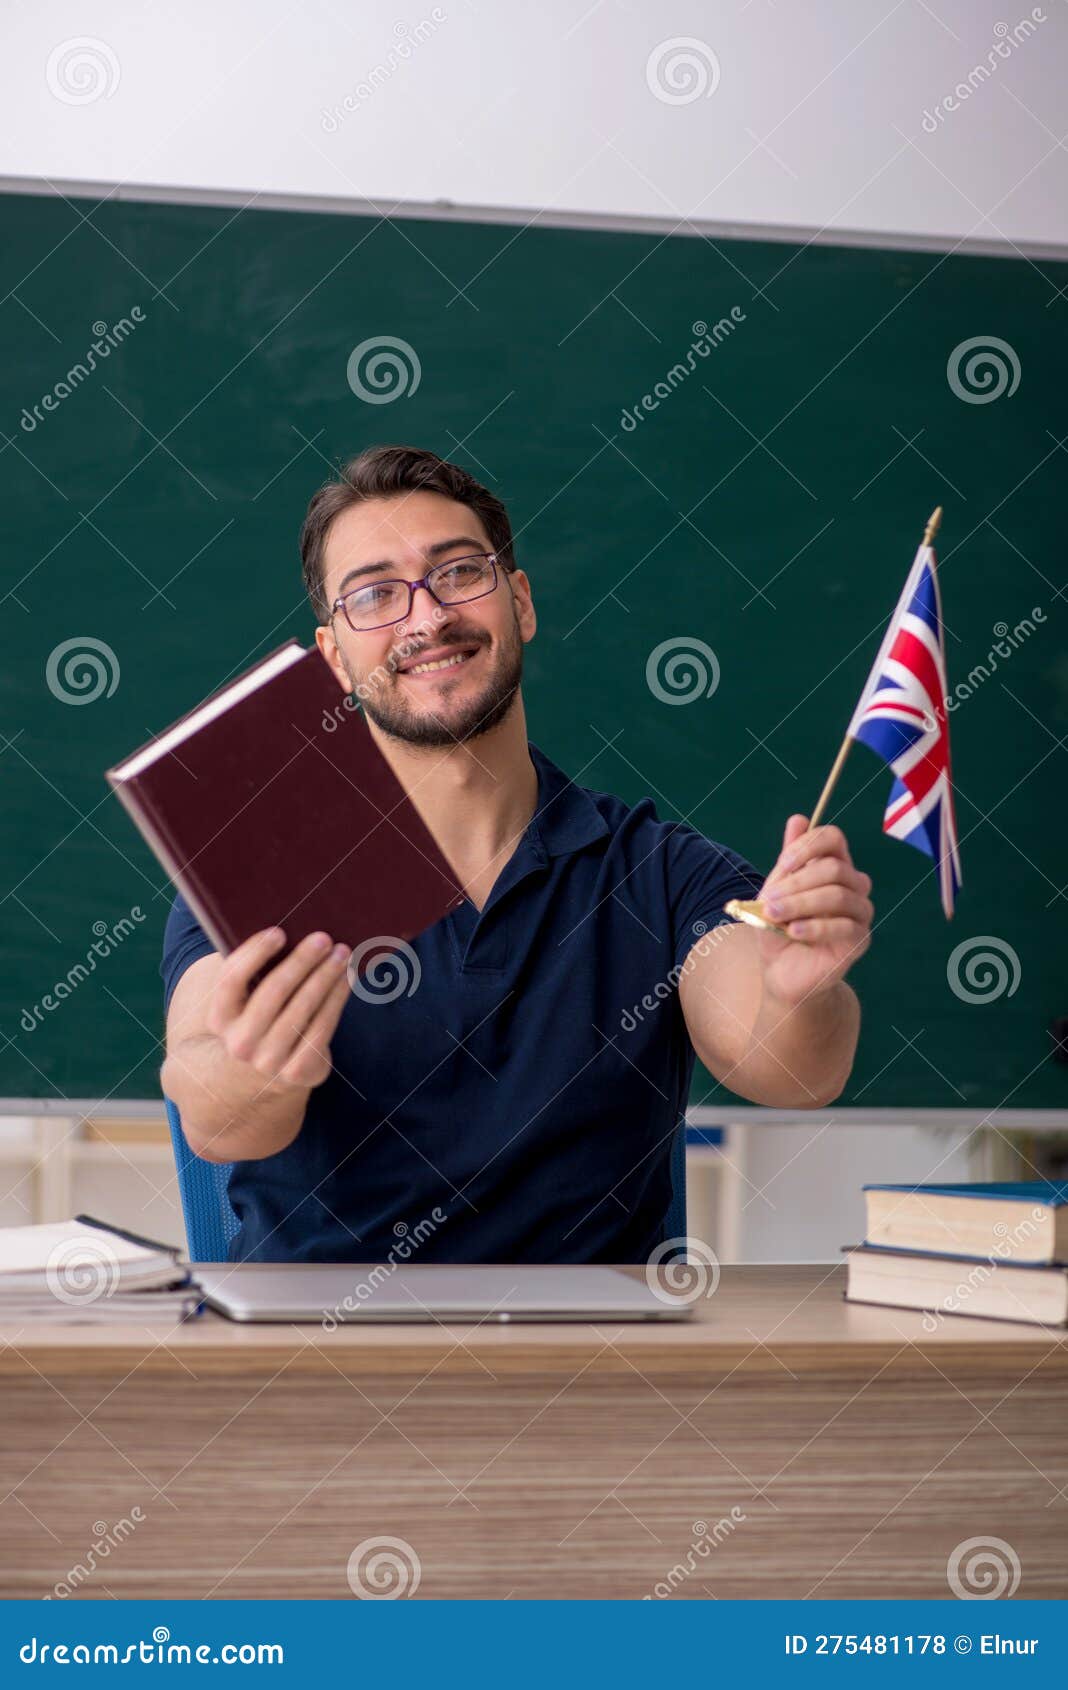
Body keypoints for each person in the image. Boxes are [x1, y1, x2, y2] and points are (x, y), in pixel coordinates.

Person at [160, 446, 873, 1263]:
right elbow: (215, 1114)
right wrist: (257, 1067)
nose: (425, 618)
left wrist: (799, 993)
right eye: (376, 594)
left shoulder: (659, 871)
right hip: (325, 1366)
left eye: (459, 573)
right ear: (334, 660)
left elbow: (796, 1073)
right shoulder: (265, 871)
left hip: (594, 1368)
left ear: (520, 602)